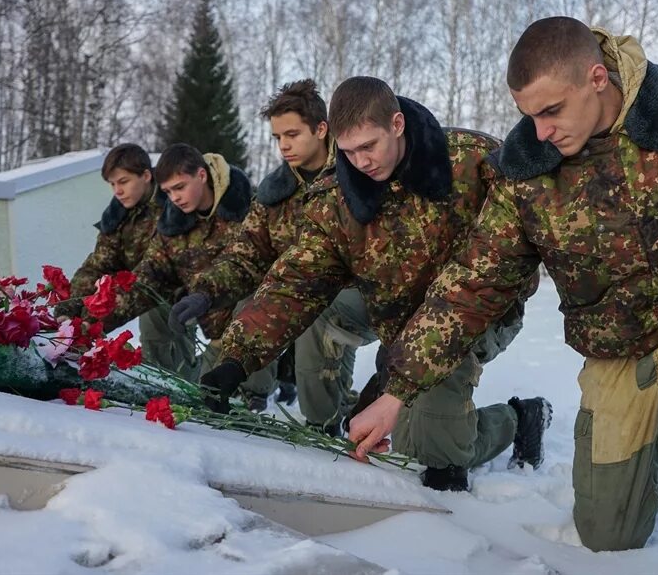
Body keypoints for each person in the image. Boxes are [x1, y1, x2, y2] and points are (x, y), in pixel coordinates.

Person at [348, 17, 658, 574]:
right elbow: (473, 283)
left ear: (597, 78)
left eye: (551, 111)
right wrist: (398, 391)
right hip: (621, 344)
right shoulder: (527, 173)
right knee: (608, 534)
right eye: (529, 115)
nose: (539, 132)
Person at [198, 76, 549, 492]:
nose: (361, 162)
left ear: (396, 124)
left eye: (369, 146)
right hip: (399, 319)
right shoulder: (336, 197)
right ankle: (336, 410)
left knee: (429, 454)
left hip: (479, 313)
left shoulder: (473, 163)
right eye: (348, 152)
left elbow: (510, 262)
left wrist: (398, 387)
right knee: (368, 413)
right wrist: (236, 357)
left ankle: (519, 418)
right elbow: (295, 283)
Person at [171, 79, 377, 435]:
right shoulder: (275, 194)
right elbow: (246, 256)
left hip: (365, 296)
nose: (284, 145)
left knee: (322, 320)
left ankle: (324, 425)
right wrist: (204, 292)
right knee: (252, 303)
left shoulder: (360, 172)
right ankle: (250, 395)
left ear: (321, 129)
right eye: (278, 137)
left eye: (292, 134)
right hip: (300, 295)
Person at [98, 143, 277, 409]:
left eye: (180, 187)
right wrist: (91, 322)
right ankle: (163, 382)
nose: (175, 198)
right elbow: (150, 274)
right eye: (168, 191)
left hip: (261, 327)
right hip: (211, 322)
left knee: (254, 302)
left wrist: (205, 294)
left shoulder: (250, 208)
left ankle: (257, 396)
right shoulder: (173, 224)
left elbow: (263, 270)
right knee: (155, 304)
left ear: (201, 175)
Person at [54, 144, 195, 375]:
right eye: (112, 184)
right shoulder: (117, 218)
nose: (117, 191)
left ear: (146, 176)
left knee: (176, 354)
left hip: (187, 292)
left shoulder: (174, 206)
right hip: (145, 293)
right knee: (159, 358)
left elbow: (155, 274)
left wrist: (94, 323)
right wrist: (68, 311)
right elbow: (97, 266)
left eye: (123, 181)